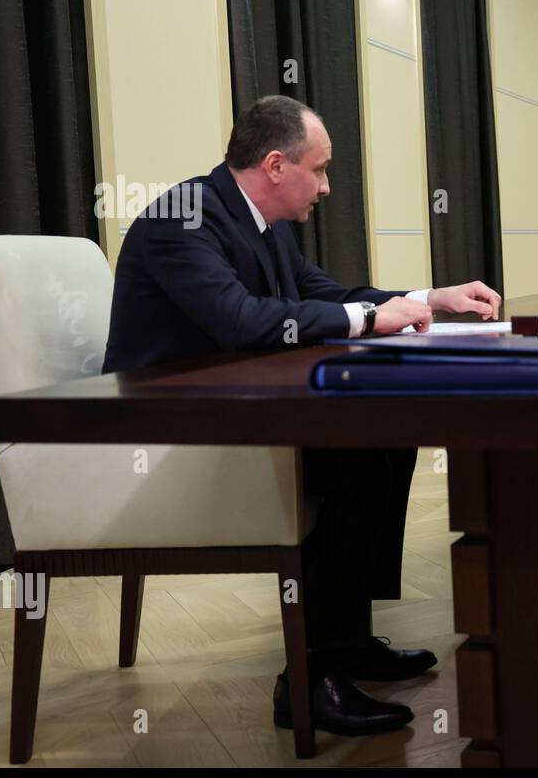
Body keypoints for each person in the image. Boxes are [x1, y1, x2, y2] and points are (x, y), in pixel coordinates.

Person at [103, 94, 500, 737]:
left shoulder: (269, 227)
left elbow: (329, 296)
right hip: (169, 438)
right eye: (320, 170)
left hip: (229, 417)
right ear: (277, 165)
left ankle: (342, 644)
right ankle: (308, 679)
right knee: (357, 458)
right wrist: (375, 318)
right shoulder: (182, 217)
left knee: (384, 438)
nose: (327, 186)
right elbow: (238, 319)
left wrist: (428, 298)